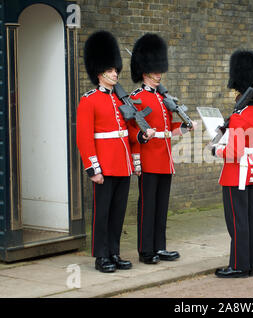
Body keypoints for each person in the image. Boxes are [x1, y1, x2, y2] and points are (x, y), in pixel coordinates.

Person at [128, 33, 196, 264]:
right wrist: (136, 159)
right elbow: (133, 132)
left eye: (159, 71)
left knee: (161, 207)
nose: (159, 75)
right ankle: (146, 250)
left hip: (165, 159)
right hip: (149, 158)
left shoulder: (163, 98)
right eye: (155, 72)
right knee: (148, 207)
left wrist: (186, 126)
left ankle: (159, 246)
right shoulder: (136, 98)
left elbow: (170, 128)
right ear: (145, 73)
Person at [76, 31, 133, 273]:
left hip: (122, 164)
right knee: (102, 213)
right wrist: (93, 168)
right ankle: (101, 256)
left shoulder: (121, 100)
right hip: (104, 166)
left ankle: (114, 252)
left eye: (115, 70)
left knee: (118, 212)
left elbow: (128, 131)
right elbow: (84, 138)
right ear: (99, 73)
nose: (115, 74)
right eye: (110, 71)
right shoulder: (88, 100)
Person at [211, 50, 253, 278]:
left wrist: (217, 149)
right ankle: (250, 265)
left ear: (239, 91)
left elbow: (234, 152)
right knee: (250, 220)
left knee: (236, 223)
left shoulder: (239, 117)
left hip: (236, 173)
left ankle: (237, 265)